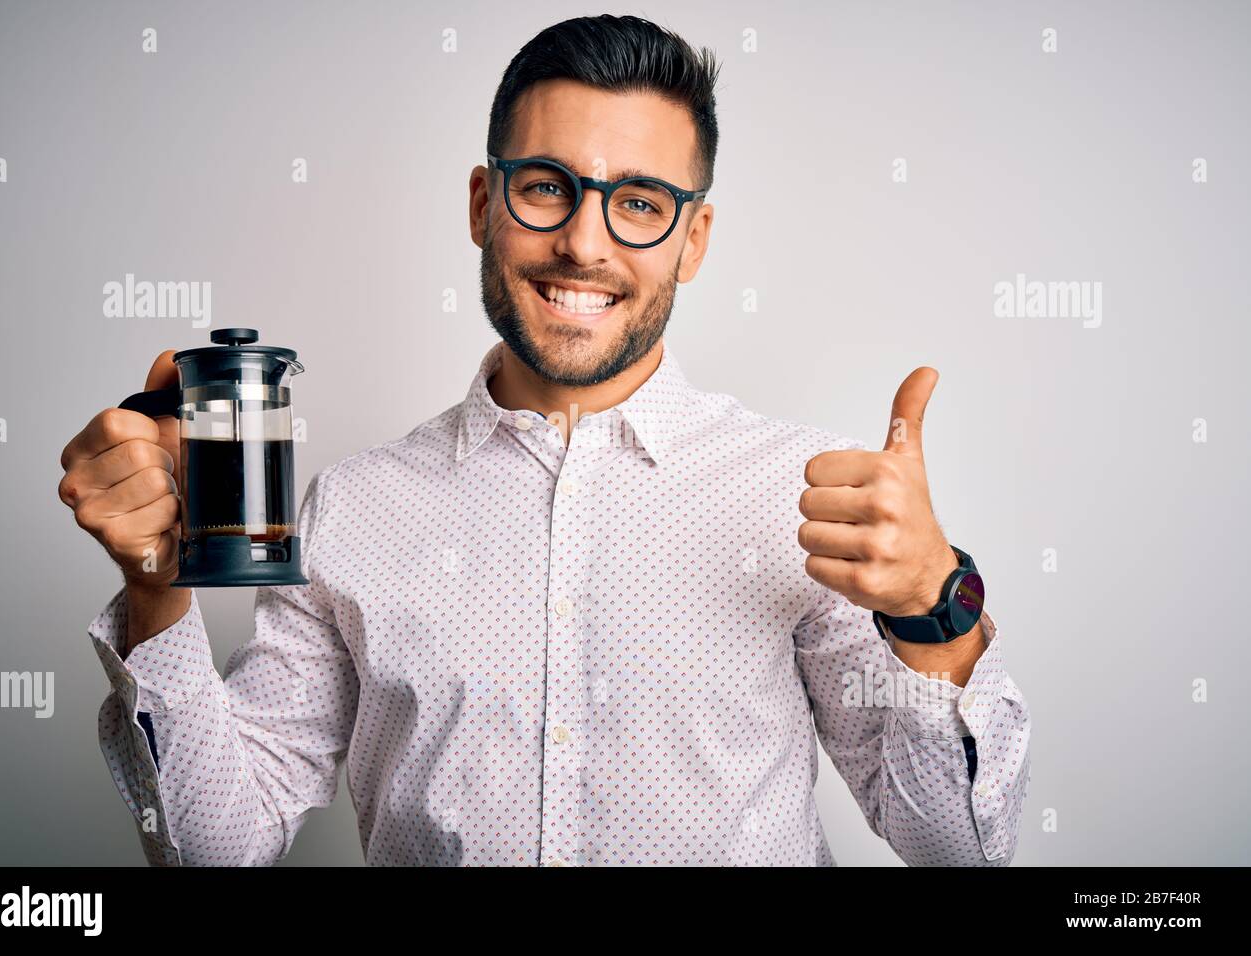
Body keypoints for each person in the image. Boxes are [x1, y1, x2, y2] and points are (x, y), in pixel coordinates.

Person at [57, 14, 1030, 866]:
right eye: (546, 188)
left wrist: (928, 607)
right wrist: (158, 590)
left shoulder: (803, 495)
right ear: (484, 203)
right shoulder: (351, 507)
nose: (585, 243)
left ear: (693, 240)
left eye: (640, 202)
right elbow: (215, 847)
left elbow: (958, 847)